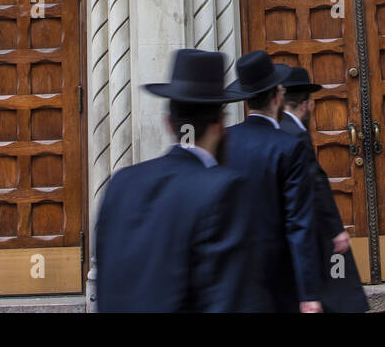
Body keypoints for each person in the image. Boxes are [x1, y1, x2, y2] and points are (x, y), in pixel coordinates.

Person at [95, 49, 265, 312]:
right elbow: (232, 299)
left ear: (168, 124)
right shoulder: (225, 189)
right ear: (220, 124)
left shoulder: (122, 184)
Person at [222, 50, 323, 313]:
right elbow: (299, 223)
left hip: (233, 276)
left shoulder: (222, 141)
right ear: (277, 98)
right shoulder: (290, 146)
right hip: (278, 279)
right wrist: (309, 292)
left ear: (246, 101)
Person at [280, 67, 369, 313]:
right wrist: (336, 230)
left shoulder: (277, 130)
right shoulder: (296, 135)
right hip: (309, 225)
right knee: (338, 280)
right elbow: (315, 184)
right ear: (306, 105)